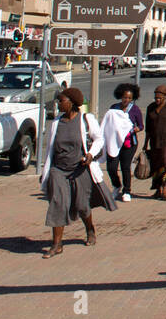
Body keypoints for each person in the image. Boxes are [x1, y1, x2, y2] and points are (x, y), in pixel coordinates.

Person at [39, 87, 112, 258]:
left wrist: (90, 154)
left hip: (80, 169)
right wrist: (46, 171)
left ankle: (90, 229)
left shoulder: (86, 119)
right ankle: (57, 244)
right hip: (59, 169)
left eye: (61, 101)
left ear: (72, 103)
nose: (58, 104)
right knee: (57, 203)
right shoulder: (56, 123)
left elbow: (99, 139)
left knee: (81, 205)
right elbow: (50, 149)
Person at [102, 83, 143, 202]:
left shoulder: (135, 110)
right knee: (111, 167)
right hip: (114, 142)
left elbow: (141, 125)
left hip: (129, 144)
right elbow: (108, 123)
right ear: (121, 96)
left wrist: (137, 129)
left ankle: (127, 190)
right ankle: (116, 185)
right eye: (125, 97)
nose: (127, 100)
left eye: (129, 98)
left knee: (125, 167)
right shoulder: (114, 108)